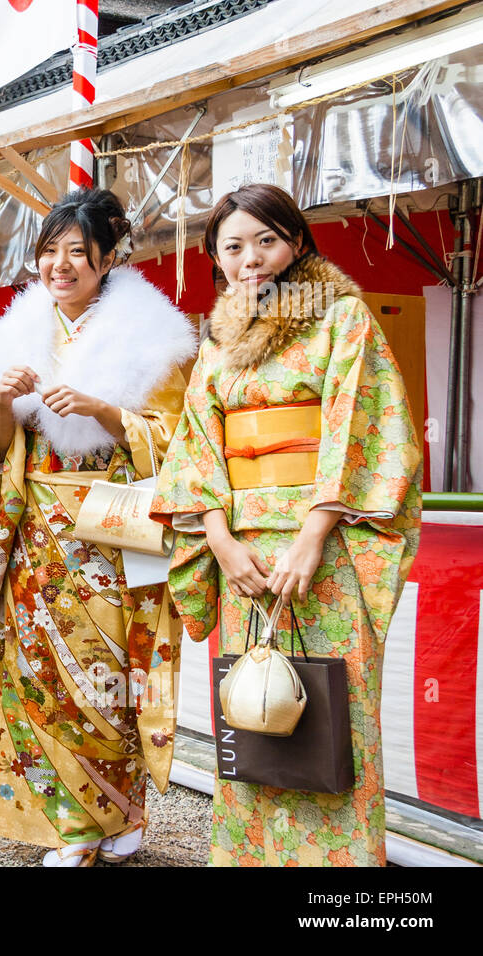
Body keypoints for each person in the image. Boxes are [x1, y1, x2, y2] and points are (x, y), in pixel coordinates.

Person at [150, 183, 421, 867]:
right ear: (216, 257)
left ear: (297, 242)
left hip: (320, 554)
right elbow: (197, 446)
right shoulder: (216, 339)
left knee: (332, 715)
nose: (252, 260)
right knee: (255, 712)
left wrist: (312, 534)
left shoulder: (342, 318)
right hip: (242, 557)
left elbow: (362, 428)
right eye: (233, 247)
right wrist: (219, 540)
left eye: (266, 241)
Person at [0, 188, 195, 867]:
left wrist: (104, 408)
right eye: (49, 252)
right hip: (36, 531)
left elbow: (176, 440)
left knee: (109, 676)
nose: (60, 266)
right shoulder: (13, 335)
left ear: (107, 259)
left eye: (78, 253)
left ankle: (123, 810)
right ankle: (73, 824)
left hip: (110, 531)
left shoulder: (151, 339)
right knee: (44, 675)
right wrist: (4, 402)